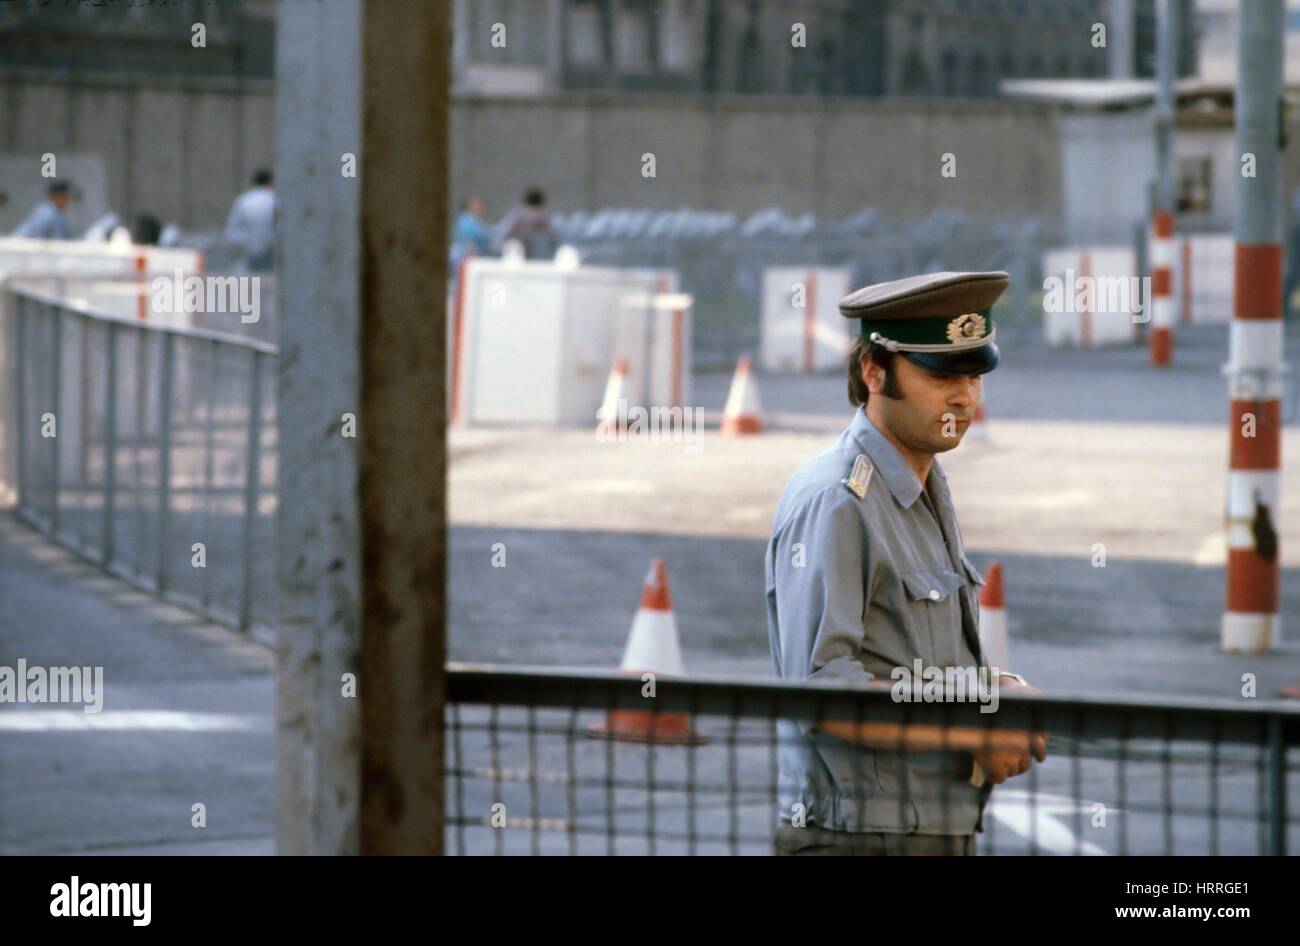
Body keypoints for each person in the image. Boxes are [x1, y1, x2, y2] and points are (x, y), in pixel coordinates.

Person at [765, 271, 1048, 856]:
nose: (964, 397)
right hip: (858, 838)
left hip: (929, 827)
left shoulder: (924, 480)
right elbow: (823, 690)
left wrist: (994, 689)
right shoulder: (839, 501)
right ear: (873, 370)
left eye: (973, 374)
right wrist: (970, 727)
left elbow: (906, 660)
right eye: (941, 374)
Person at [224, 168, 276, 272]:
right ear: (270, 182)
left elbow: (231, 233)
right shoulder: (274, 200)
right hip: (271, 257)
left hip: (246, 257)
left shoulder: (243, 200)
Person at [498, 187, 558, 260]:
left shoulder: (547, 218)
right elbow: (500, 236)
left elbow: (557, 239)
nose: (534, 217)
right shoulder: (517, 217)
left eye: (536, 211)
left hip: (542, 257)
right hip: (519, 256)